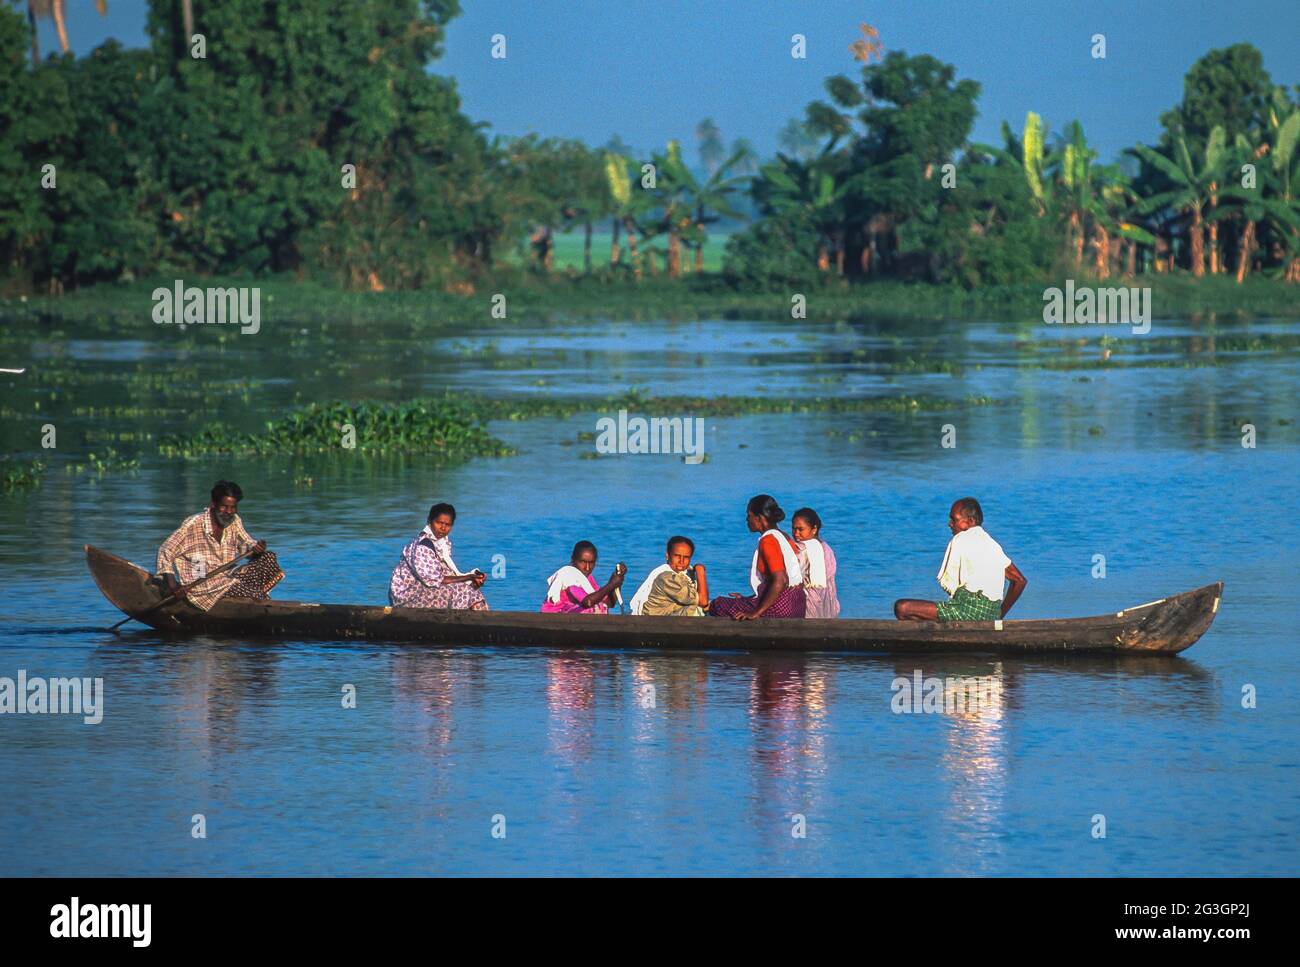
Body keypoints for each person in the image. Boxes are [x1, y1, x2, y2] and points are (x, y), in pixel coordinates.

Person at [155, 480, 283, 611]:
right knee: (257, 595)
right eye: (224, 506)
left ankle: (244, 599)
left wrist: (256, 548)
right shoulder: (193, 524)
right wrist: (172, 585)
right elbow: (166, 550)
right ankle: (253, 598)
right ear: (213, 504)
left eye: (233, 507)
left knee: (268, 558)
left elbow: (246, 544)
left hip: (227, 577)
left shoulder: (234, 520)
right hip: (202, 583)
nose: (229, 511)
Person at [894, 497, 1027, 622]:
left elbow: (951, 583)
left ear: (970, 521)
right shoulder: (993, 544)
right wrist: (999, 615)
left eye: (954, 519)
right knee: (937, 613)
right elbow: (1019, 580)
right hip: (991, 613)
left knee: (902, 607)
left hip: (968, 610)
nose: (950, 524)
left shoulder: (961, 538)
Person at [708, 494, 806, 620]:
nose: (747, 520)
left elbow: (781, 580)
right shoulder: (785, 537)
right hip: (798, 604)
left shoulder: (768, 540)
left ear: (759, 518)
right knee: (740, 602)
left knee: (718, 605)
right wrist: (749, 599)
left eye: (749, 516)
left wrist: (756, 612)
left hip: (782, 607)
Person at [389, 503, 488, 610]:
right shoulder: (423, 545)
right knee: (462, 590)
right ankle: (468, 623)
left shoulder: (441, 544)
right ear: (429, 521)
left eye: (447, 524)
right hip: (407, 596)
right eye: (439, 523)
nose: (443, 528)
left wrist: (472, 581)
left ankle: (479, 622)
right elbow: (435, 580)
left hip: (424, 590)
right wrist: (469, 577)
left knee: (470, 590)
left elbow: (445, 575)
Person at [541, 541, 626, 614]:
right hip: (556, 614)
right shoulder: (569, 575)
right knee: (593, 608)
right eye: (583, 562)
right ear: (573, 560)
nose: (587, 568)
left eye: (591, 563)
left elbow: (609, 603)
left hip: (571, 613)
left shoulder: (587, 579)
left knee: (601, 606)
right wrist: (611, 584)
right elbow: (588, 602)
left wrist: (617, 579)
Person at [636, 536, 709, 617]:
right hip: (654, 623)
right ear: (667, 556)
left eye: (686, 557)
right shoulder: (666, 578)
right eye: (677, 556)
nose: (681, 561)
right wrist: (700, 571)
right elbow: (703, 601)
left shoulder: (685, 573)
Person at [792, 508, 840, 619]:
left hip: (811, 605)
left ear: (814, 529)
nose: (796, 533)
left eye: (800, 529)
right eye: (793, 529)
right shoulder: (826, 547)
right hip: (829, 605)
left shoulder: (801, 549)